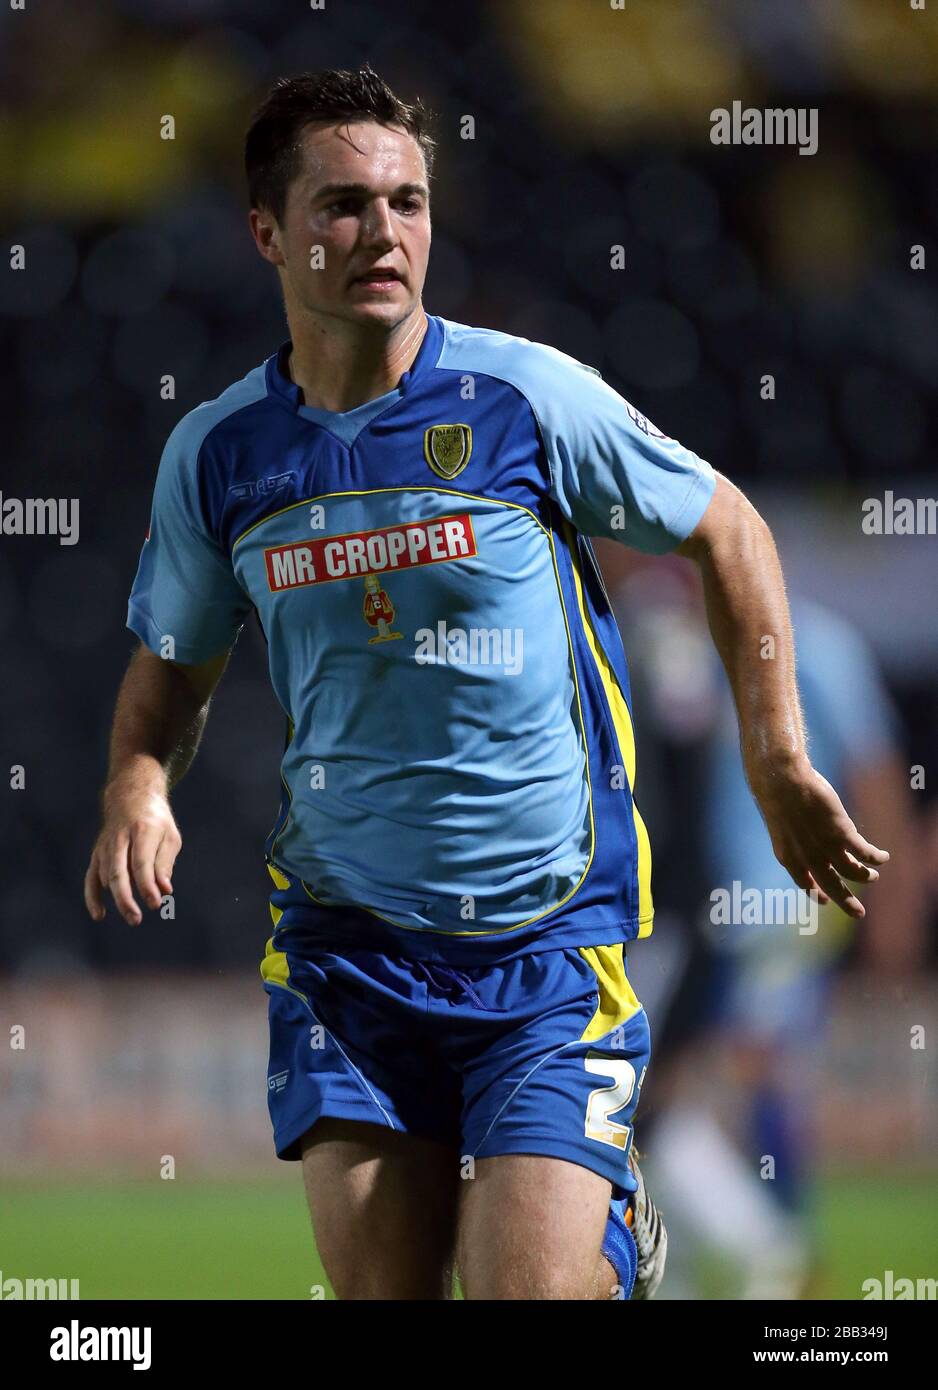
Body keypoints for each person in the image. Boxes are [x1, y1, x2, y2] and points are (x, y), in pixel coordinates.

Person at [83, 67, 888, 1301]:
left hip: (550, 939)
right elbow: (170, 675)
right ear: (266, 232)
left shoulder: (523, 398)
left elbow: (727, 528)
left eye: (406, 201)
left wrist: (775, 758)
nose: (383, 233)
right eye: (343, 204)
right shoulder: (219, 456)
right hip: (347, 948)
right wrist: (138, 785)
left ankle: (609, 1240)